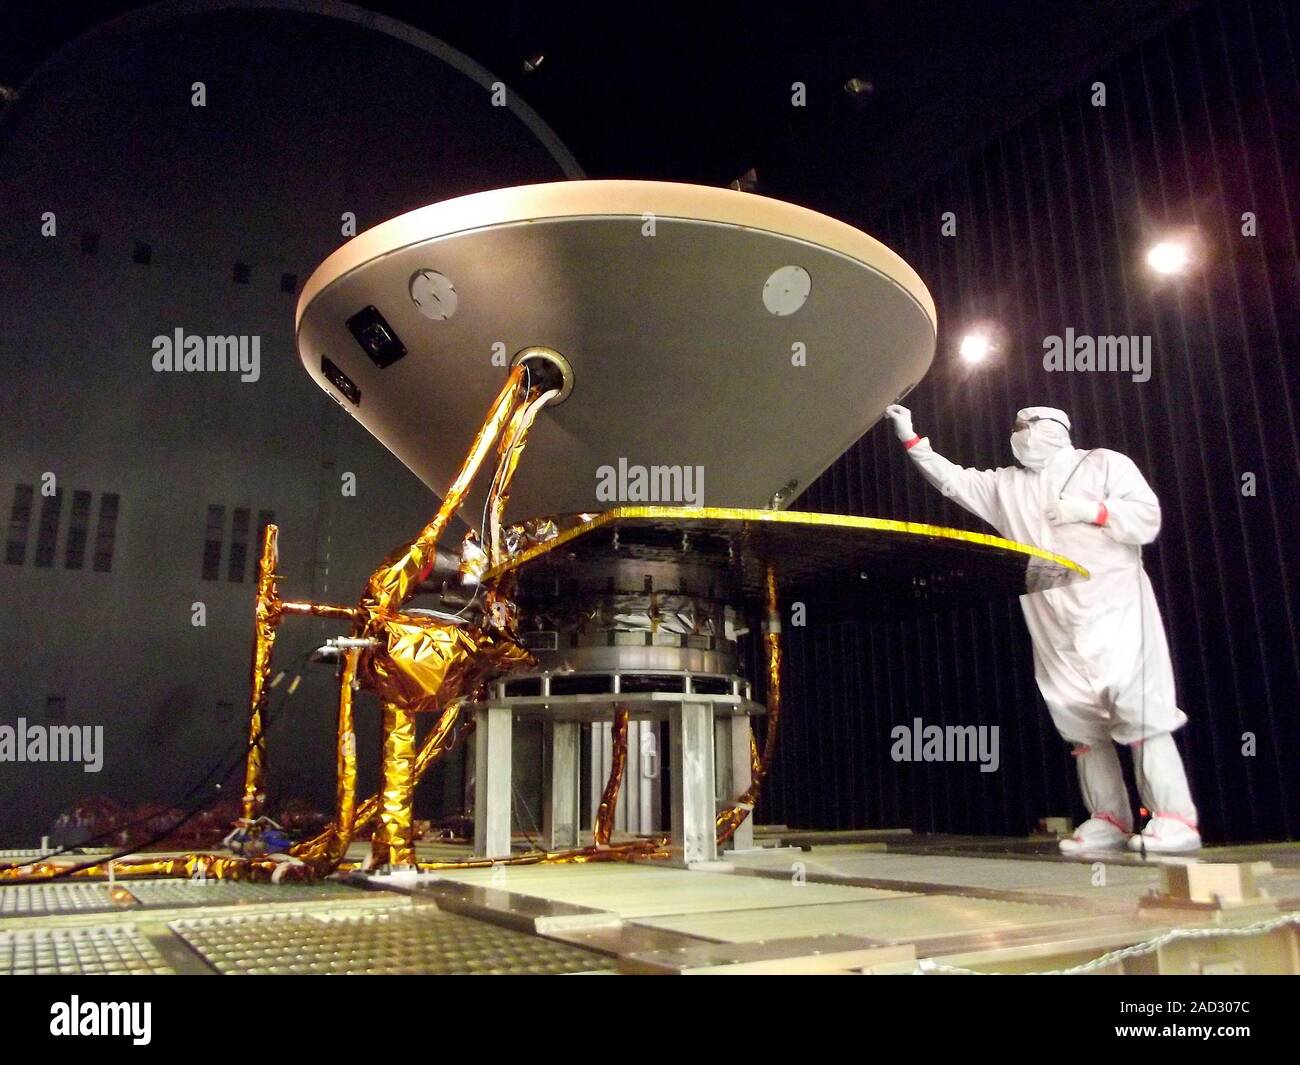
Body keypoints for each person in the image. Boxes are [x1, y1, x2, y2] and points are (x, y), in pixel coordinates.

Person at [883, 403, 1200, 854]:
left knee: (1139, 709)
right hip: (1051, 616)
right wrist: (910, 437)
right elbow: (953, 480)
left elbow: (1147, 518)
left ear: (1058, 429)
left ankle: (1174, 818)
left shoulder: (1104, 463)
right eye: (1017, 427)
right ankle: (1109, 818)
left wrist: (1093, 511)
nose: (1023, 435)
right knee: (1079, 722)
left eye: (1032, 426)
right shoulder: (1006, 485)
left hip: (1114, 607)